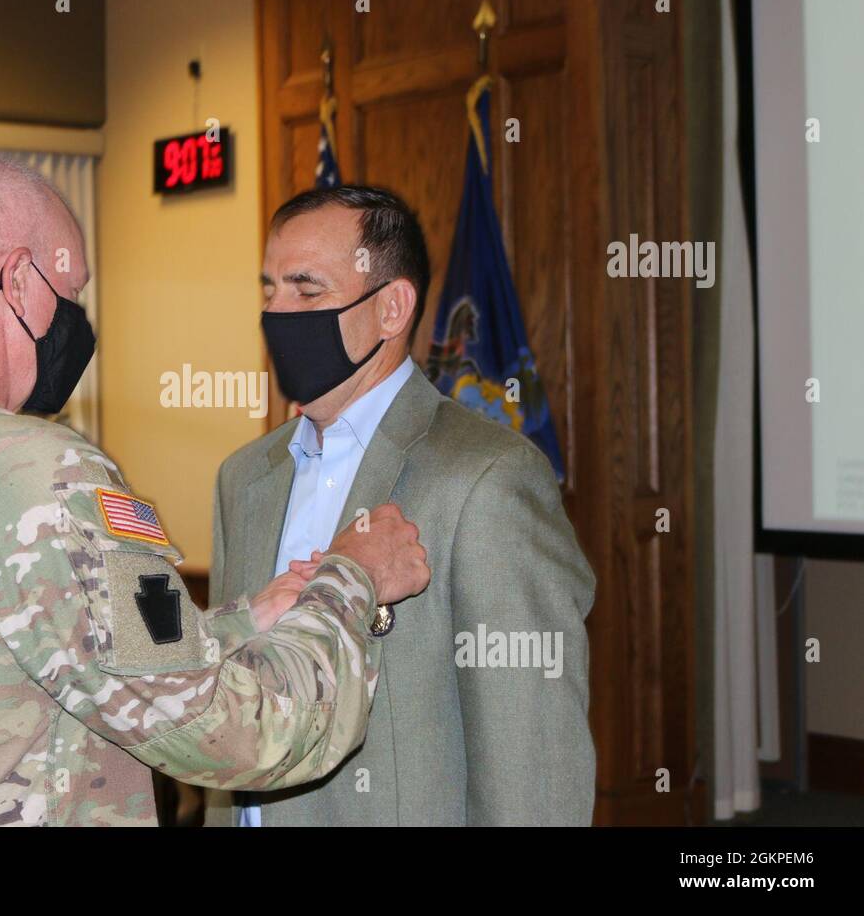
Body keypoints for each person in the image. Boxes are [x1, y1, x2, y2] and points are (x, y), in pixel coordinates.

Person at [0, 153, 430, 826]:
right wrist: (349, 580)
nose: (77, 323)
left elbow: (43, 647)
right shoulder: (31, 469)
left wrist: (242, 619)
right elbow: (229, 730)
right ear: (19, 282)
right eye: (70, 291)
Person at [204, 185, 596, 826]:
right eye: (269, 290)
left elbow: (533, 765)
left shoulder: (486, 479)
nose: (277, 314)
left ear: (391, 308)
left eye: (306, 291)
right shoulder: (243, 478)